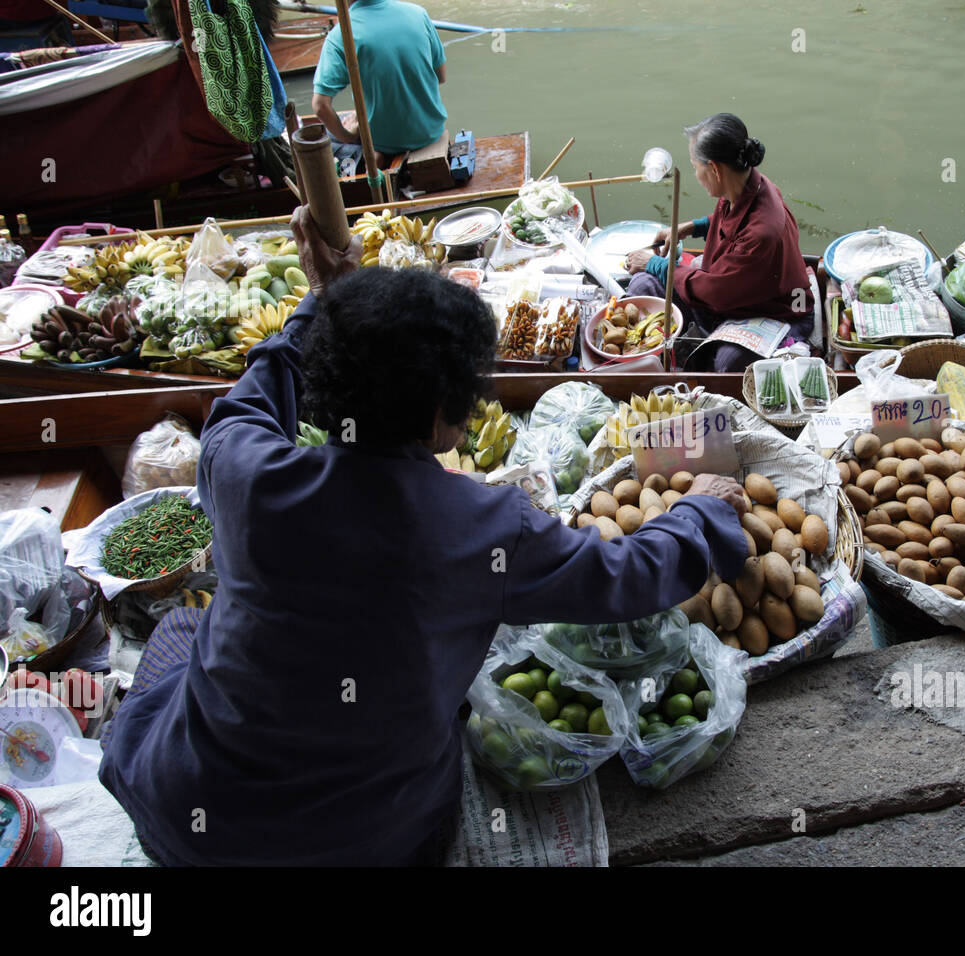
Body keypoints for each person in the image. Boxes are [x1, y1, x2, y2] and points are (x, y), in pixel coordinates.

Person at [97, 207, 749, 866]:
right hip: (366, 845)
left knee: (181, 631)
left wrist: (323, 301)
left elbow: (257, 389)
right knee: (434, 751)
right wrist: (700, 511)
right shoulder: (480, 527)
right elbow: (627, 576)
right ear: (442, 413)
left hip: (187, 817)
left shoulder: (246, 473)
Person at [626, 113, 813, 372]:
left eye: (695, 166)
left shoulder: (762, 232)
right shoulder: (746, 184)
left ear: (714, 169)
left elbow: (715, 291)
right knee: (642, 284)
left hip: (776, 310)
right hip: (730, 292)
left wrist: (655, 263)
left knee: (728, 362)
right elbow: (730, 220)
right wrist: (694, 227)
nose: (695, 174)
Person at [311, 0, 448, 168]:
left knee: (318, 140)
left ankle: (370, 156)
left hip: (384, 142)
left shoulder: (341, 34)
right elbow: (440, 76)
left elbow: (320, 106)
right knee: (352, 118)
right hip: (431, 131)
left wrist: (348, 136)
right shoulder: (418, 13)